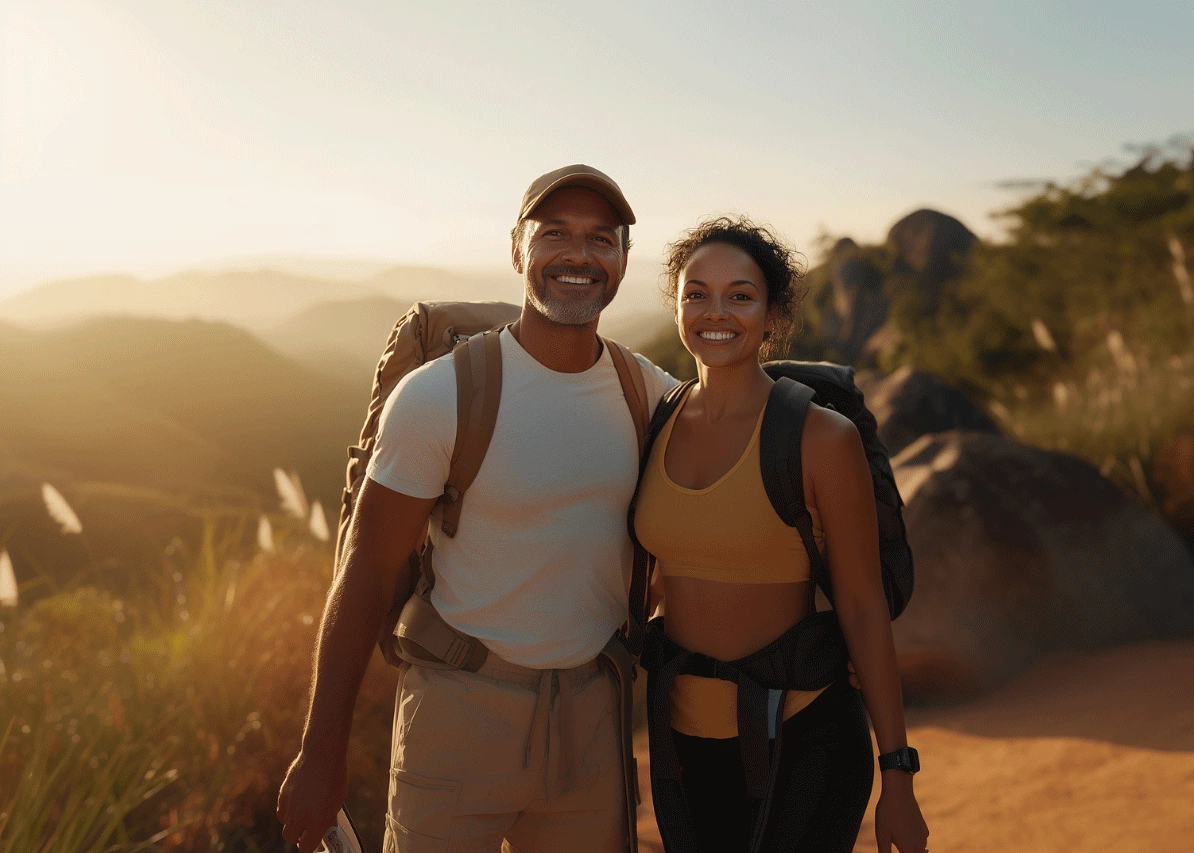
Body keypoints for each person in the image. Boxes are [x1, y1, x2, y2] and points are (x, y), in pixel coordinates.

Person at [276, 165, 676, 853]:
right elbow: (366, 571)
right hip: (458, 714)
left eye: (600, 239)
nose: (579, 255)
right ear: (518, 250)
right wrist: (321, 753)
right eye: (555, 234)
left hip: (593, 720)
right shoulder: (442, 396)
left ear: (622, 259)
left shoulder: (648, 393)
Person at [632, 217, 930, 852]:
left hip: (803, 735)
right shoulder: (656, 422)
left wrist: (898, 776)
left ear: (772, 314)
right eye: (696, 293)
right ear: (678, 305)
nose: (717, 312)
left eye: (740, 295)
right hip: (682, 745)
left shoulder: (821, 439)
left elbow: (861, 604)